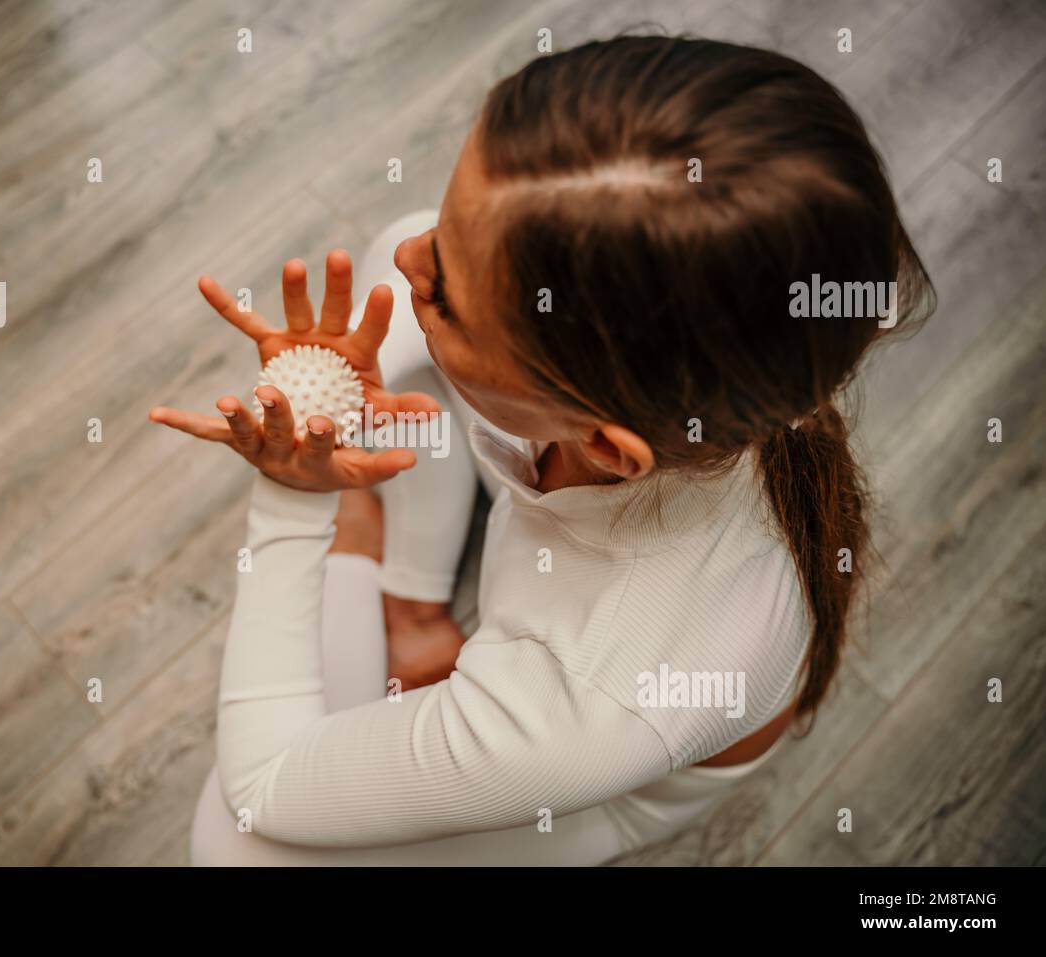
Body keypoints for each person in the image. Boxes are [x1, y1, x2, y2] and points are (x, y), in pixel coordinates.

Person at [151, 35, 933, 865]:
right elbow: (414, 257)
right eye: (451, 232)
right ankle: (414, 606)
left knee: (231, 847)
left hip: (603, 789)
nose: (418, 258)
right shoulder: (707, 379)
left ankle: (381, 552)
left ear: (602, 442)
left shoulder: (597, 688)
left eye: (445, 291)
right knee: (393, 280)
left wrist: (296, 498)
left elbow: (265, 783)